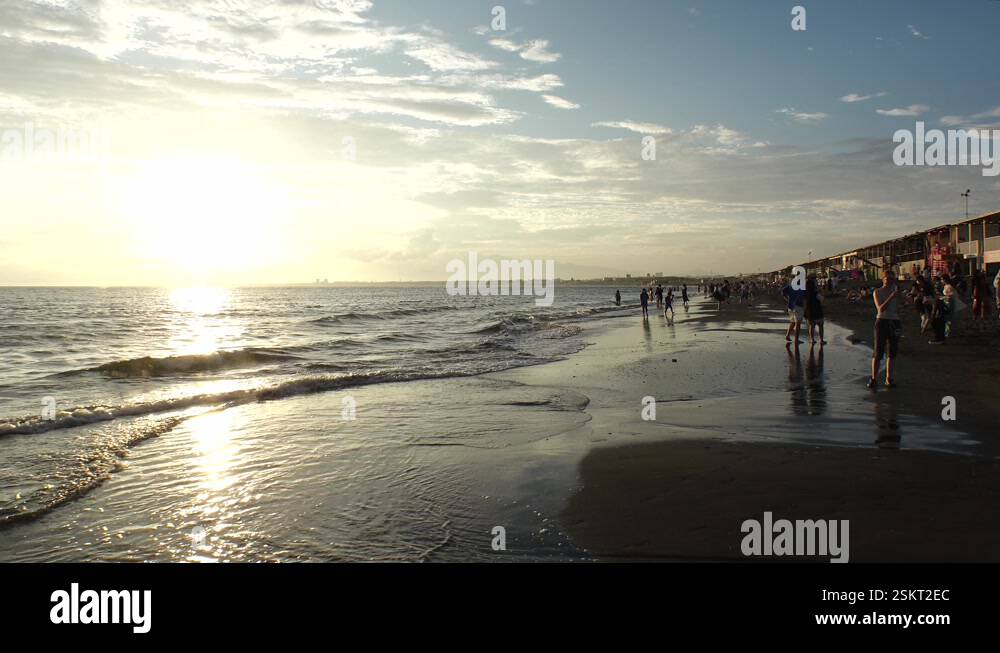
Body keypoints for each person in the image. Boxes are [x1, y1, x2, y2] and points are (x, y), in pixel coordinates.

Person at [868, 269, 901, 389]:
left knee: (892, 352)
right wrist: (892, 296)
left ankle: (889, 378)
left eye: (892, 279)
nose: (890, 281)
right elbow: (881, 309)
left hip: (895, 321)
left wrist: (901, 297)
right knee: (878, 352)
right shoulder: (877, 292)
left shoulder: (896, 291)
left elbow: (904, 304)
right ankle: (874, 378)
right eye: (888, 279)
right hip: (882, 321)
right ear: (883, 279)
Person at [804, 276, 825, 345]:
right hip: (818, 312)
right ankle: (821, 340)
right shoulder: (816, 293)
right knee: (820, 326)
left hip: (810, 312)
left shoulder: (806, 294)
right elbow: (822, 299)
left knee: (811, 326)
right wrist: (821, 291)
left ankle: (812, 339)